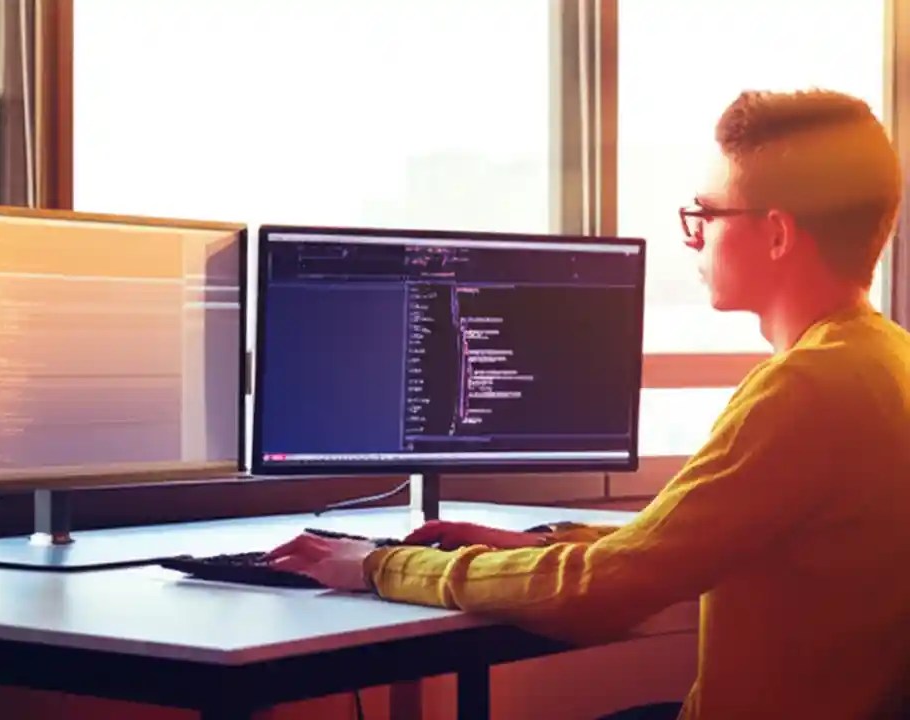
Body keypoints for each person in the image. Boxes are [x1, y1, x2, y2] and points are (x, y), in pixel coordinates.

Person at [265, 89, 910, 719]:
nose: (694, 238)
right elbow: (680, 543)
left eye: (708, 215)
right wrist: (520, 546)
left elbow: (603, 591)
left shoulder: (801, 391)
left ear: (776, 236)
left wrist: (381, 565)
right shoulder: (886, 361)